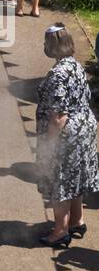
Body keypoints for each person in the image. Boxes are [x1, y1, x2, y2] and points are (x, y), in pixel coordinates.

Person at [35, 25, 99, 248]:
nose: (43, 46)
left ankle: (60, 231)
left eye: (45, 43)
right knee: (75, 179)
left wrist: (49, 146)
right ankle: (76, 221)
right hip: (86, 129)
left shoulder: (58, 74)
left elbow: (58, 117)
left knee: (59, 180)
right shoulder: (76, 65)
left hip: (67, 134)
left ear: (52, 46)